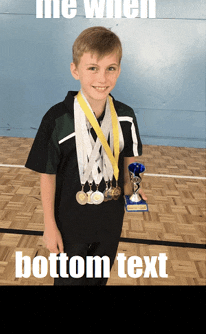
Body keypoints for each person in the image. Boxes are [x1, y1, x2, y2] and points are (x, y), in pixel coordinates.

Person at [25, 26, 147, 285]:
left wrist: (133, 186)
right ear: (75, 70)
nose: (102, 78)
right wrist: (49, 225)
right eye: (93, 68)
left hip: (109, 225)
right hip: (69, 226)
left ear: (119, 70)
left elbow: (132, 159)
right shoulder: (57, 119)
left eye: (110, 68)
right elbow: (47, 176)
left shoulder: (126, 116)